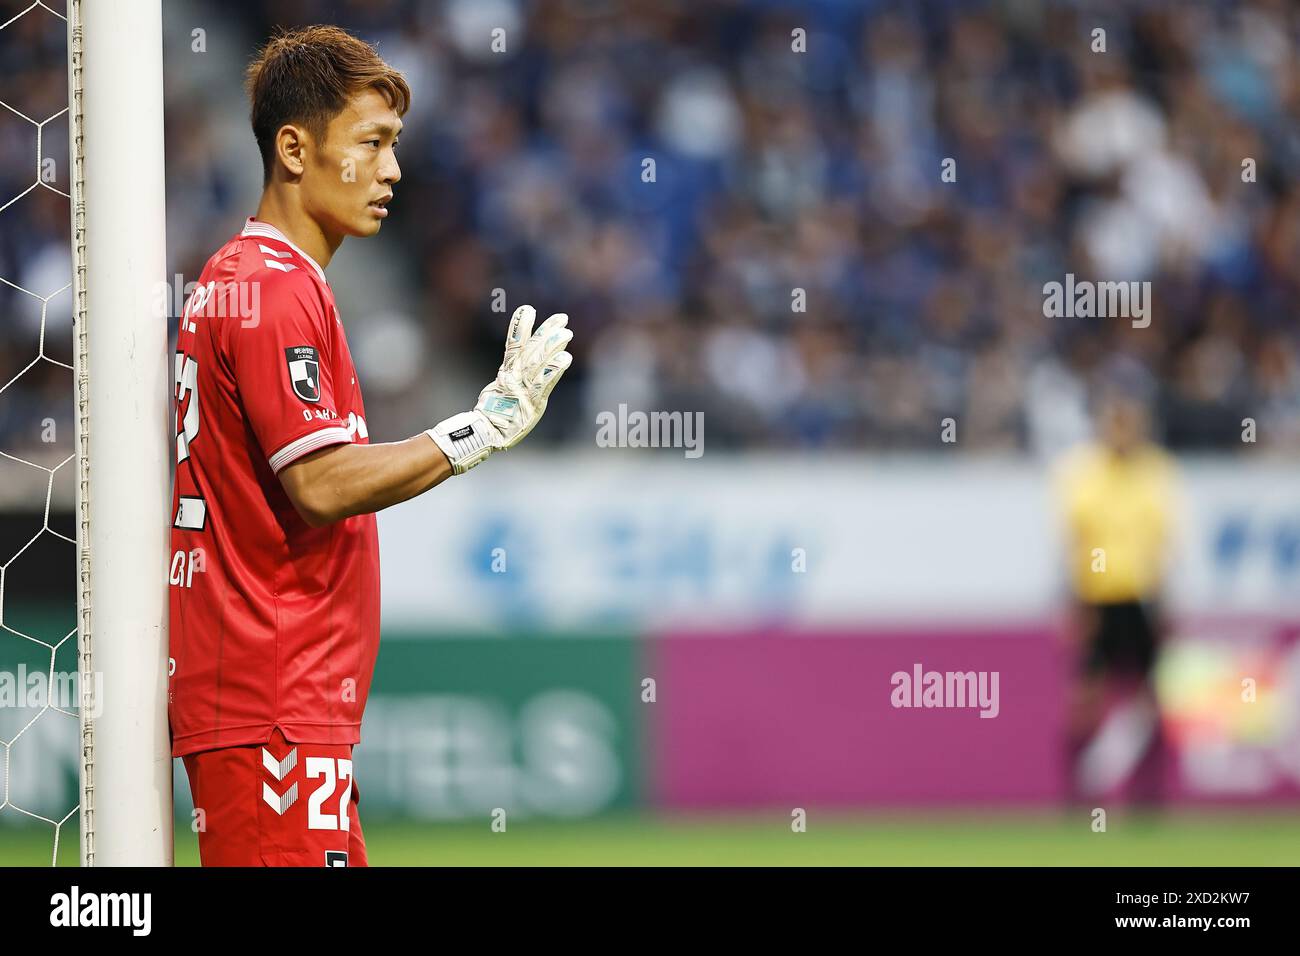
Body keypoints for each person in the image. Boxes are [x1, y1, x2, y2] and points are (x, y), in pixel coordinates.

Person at [167, 25, 573, 866]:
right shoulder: (271, 291)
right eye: (373, 143)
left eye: (395, 146)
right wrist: (479, 429)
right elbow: (318, 484)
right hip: (271, 701)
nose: (392, 170)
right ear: (294, 148)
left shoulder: (256, 282)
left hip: (277, 703)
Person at [1054, 388, 1180, 807]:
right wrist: (1076, 602)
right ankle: (1079, 795)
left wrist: (1164, 604)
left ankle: (1148, 796)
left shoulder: (1156, 472)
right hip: (1098, 598)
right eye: (1116, 421)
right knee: (1086, 696)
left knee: (1148, 698)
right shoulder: (1083, 472)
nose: (1122, 430)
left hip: (1140, 597)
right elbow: (1074, 542)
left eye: (1130, 421)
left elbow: (1163, 545)